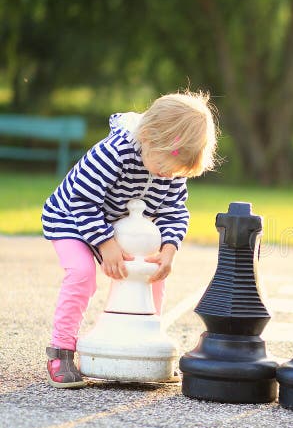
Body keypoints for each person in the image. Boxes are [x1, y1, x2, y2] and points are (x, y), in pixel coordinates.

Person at [41, 91, 218, 388]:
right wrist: (105, 243)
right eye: (166, 167)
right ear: (148, 136)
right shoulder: (114, 152)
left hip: (120, 226)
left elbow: (174, 210)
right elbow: (82, 200)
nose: (169, 175)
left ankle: (148, 345)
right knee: (82, 274)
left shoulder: (171, 163)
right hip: (71, 217)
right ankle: (61, 351)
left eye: (176, 172)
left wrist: (168, 250)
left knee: (153, 273)